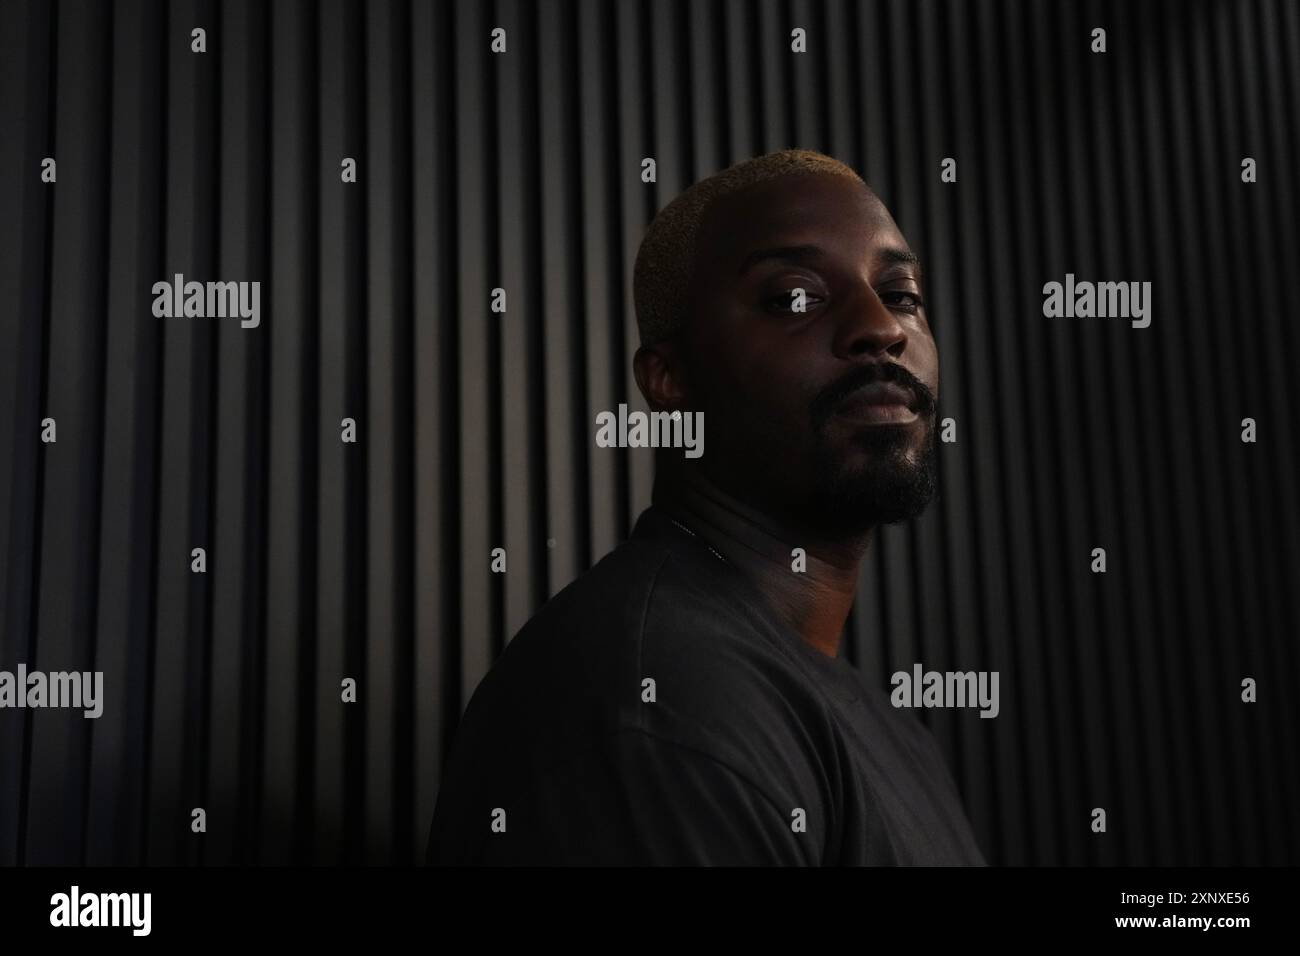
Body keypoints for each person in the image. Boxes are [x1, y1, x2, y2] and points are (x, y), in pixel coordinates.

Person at [426, 148, 986, 865]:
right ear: (669, 379)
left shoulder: (880, 727)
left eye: (901, 294)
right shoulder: (657, 699)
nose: (883, 328)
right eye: (794, 297)